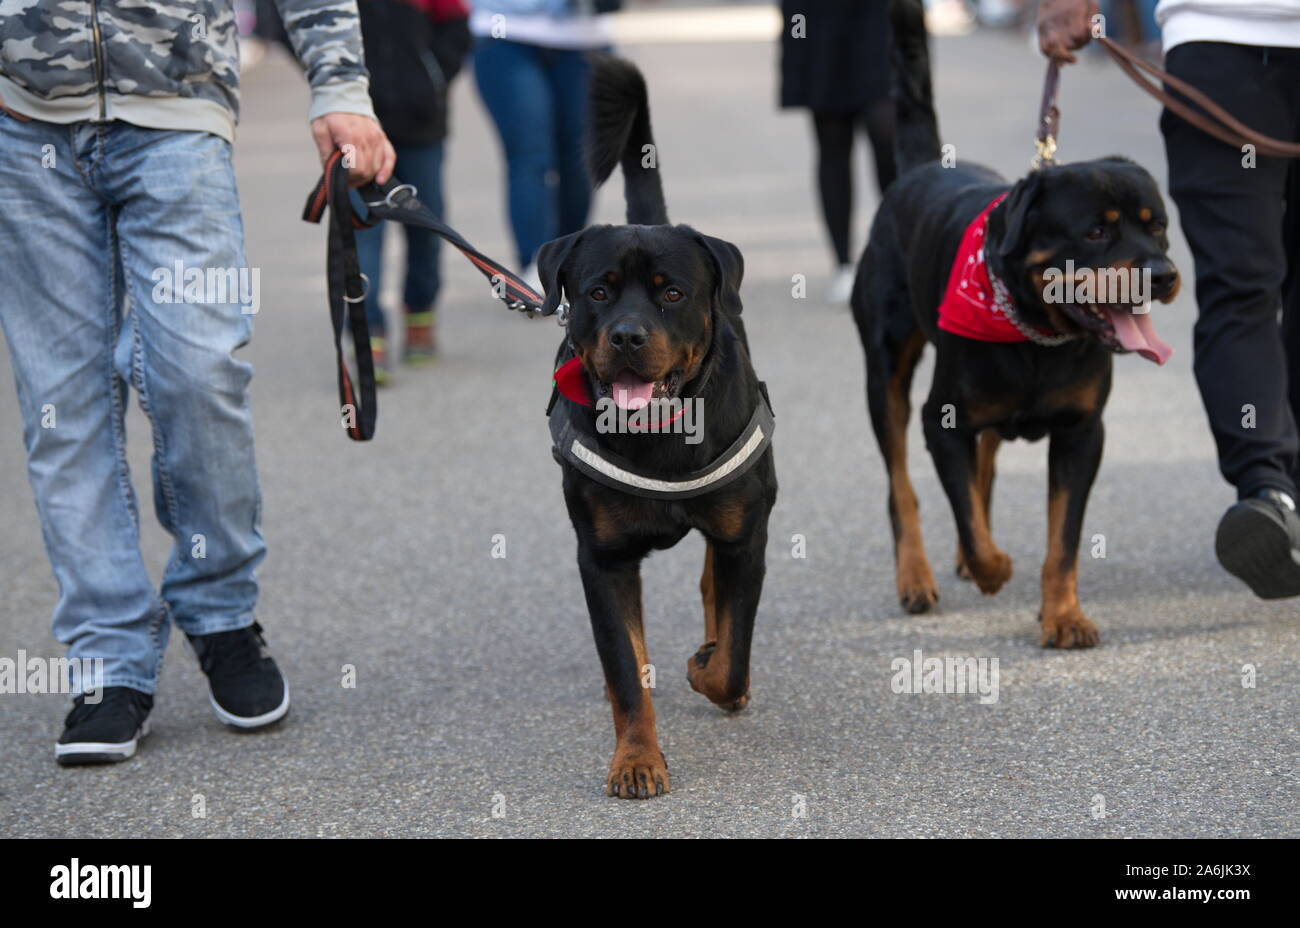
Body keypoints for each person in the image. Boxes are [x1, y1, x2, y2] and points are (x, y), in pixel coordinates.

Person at [0, 0, 396, 764]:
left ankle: (219, 608)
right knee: (61, 402)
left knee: (199, 370)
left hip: (177, 104)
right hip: (21, 117)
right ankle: (109, 660)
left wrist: (340, 86)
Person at [1040, 0, 1300, 599]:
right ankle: (1268, 492)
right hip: (1219, 36)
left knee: (1244, 287)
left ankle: (1279, 492)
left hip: (1215, 46)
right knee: (1242, 281)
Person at [354, 0, 471, 379]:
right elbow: (296, 25)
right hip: (357, 126)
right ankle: (367, 335)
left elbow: (457, 26)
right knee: (361, 231)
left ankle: (420, 314)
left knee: (426, 227)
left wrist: (431, 77)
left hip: (421, 124)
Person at [470, 0, 621, 281]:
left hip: (585, 40)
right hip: (506, 34)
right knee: (530, 156)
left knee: (580, 161)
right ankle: (535, 269)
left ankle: (568, 262)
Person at [780, 0, 897, 304]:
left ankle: (901, 251)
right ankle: (844, 264)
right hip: (819, 17)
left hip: (878, 14)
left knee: (887, 130)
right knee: (832, 135)